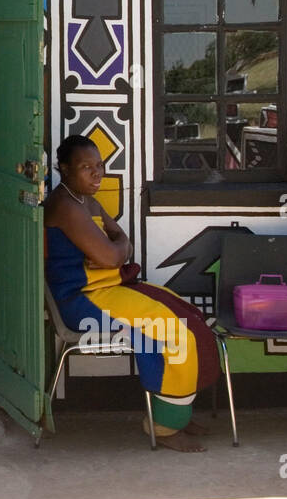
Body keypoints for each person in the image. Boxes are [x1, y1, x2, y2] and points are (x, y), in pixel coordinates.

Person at [45, 135, 219, 451]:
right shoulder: (66, 205)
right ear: (64, 169)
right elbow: (114, 256)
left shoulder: (87, 200)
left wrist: (116, 250)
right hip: (83, 301)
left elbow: (120, 243)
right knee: (170, 328)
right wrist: (114, 252)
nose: (97, 174)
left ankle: (177, 410)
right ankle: (165, 427)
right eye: (86, 167)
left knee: (188, 313)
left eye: (99, 165)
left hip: (109, 288)